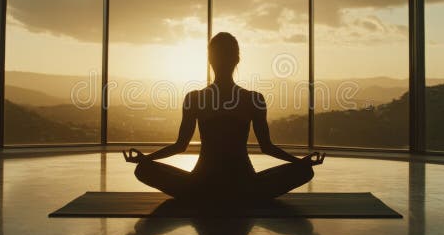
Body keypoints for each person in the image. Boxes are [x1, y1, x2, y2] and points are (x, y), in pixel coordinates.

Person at [123, 32, 324, 202]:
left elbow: (180, 146)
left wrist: (146, 159)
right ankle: (239, 196)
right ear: (237, 59)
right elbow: (267, 147)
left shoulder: (195, 98)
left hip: (201, 186)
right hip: (244, 186)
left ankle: (208, 196)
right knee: (305, 172)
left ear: (210, 60)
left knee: (143, 169)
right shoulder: (253, 99)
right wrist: (300, 163)